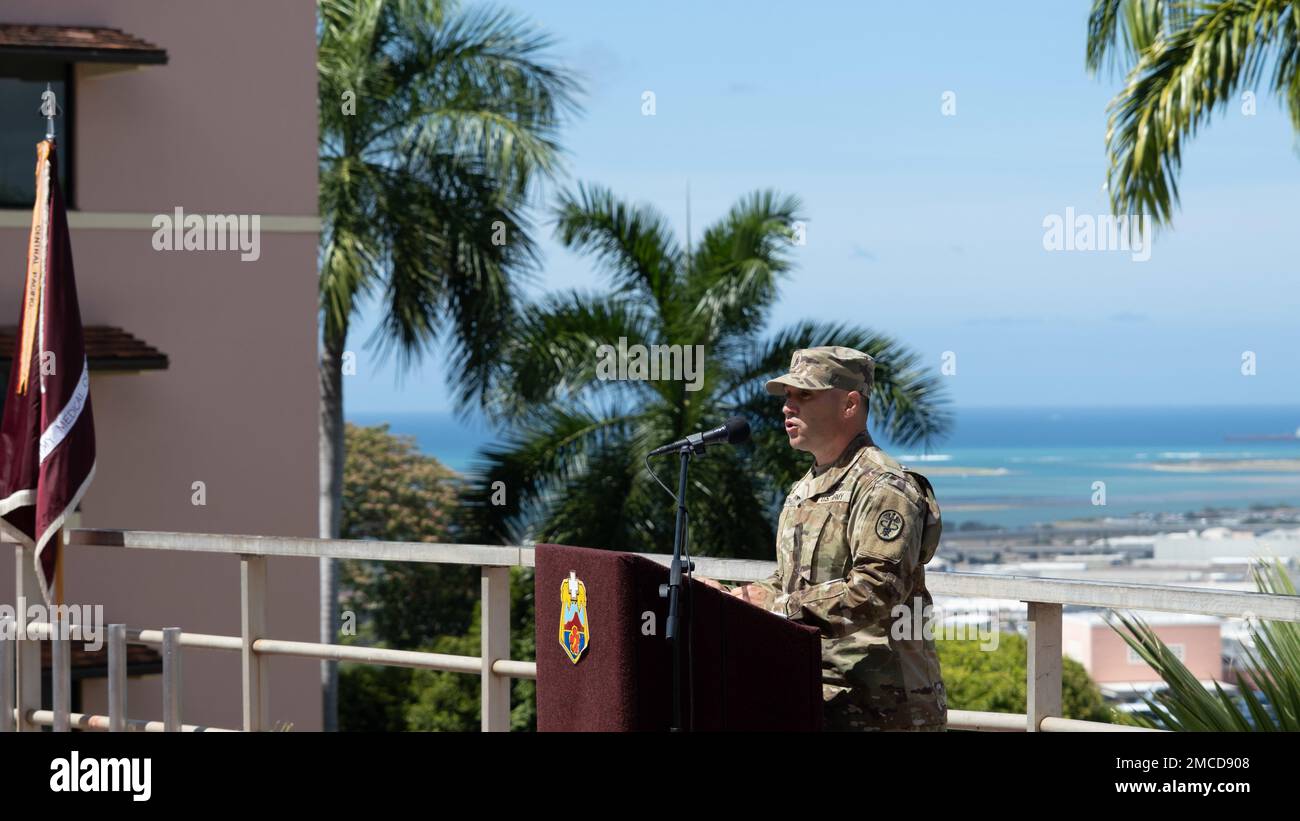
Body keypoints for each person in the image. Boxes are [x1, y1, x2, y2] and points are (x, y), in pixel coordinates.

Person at [718, 346, 947, 731]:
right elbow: (791, 583)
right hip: (818, 701)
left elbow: (876, 588)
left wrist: (779, 609)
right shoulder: (804, 489)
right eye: (787, 397)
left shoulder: (884, 486)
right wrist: (733, 598)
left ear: (849, 404)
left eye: (804, 395)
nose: (787, 408)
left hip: (885, 711)